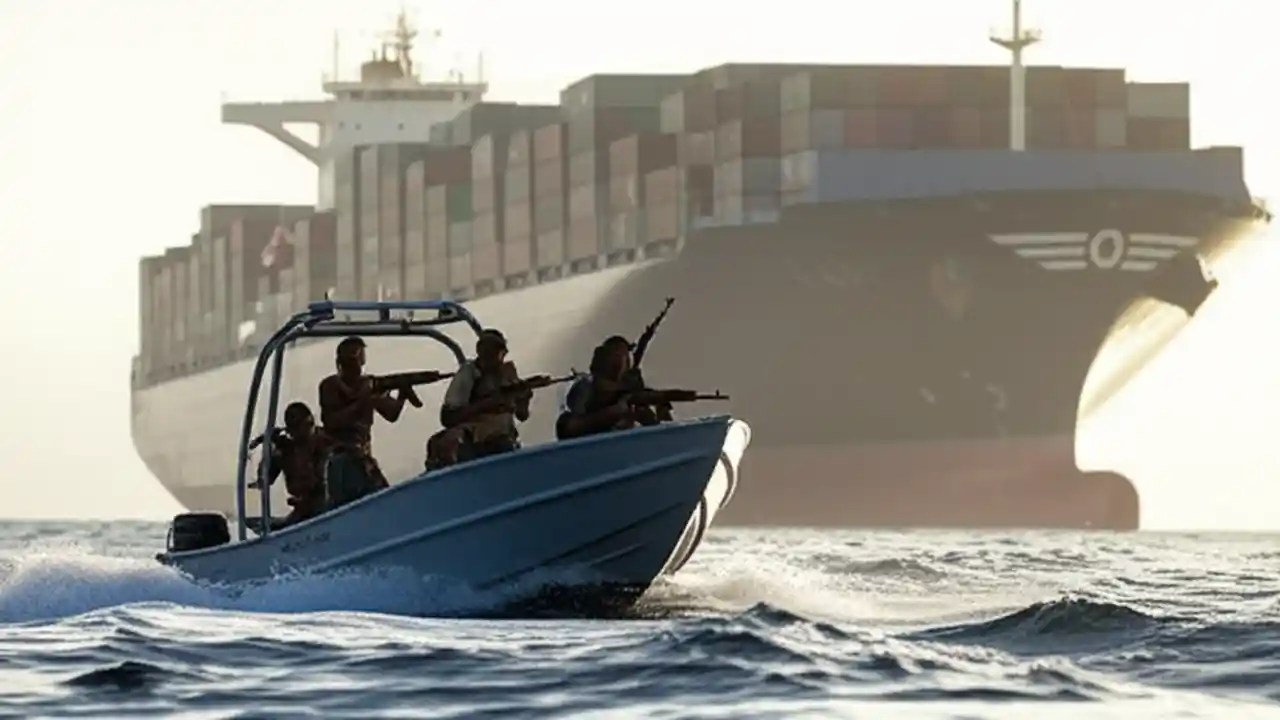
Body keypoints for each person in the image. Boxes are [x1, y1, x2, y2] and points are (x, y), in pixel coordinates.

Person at [318, 336, 413, 508]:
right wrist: (364, 400)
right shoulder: (331, 385)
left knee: (384, 503)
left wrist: (402, 393)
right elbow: (331, 421)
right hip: (340, 457)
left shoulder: (368, 384)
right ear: (340, 362)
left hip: (362, 456)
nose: (356, 364)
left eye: (358, 358)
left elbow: (391, 414)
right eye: (352, 359)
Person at [425, 328, 533, 470]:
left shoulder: (507, 373)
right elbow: (447, 417)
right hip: (476, 442)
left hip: (504, 439)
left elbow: (522, 415)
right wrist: (487, 404)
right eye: (488, 351)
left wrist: (523, 398)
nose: (494, 356)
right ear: (479, 350)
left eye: (498, 351)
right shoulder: (469, 373)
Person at [556, 335, 667, 440]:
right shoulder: (584, 387)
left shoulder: (628, 391)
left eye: (625, 358)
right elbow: (567, 429)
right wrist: (612, 413)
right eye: (617, 356)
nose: (622, 363)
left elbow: (658, 428)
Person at [249, 402, 332, 526]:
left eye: (309, 424)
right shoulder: (285, 449)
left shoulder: (326, 443)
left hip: (326, 508)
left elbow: (321, 482)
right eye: (295, 429)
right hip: (303, 510)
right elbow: (264, 480)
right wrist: (268, 449)